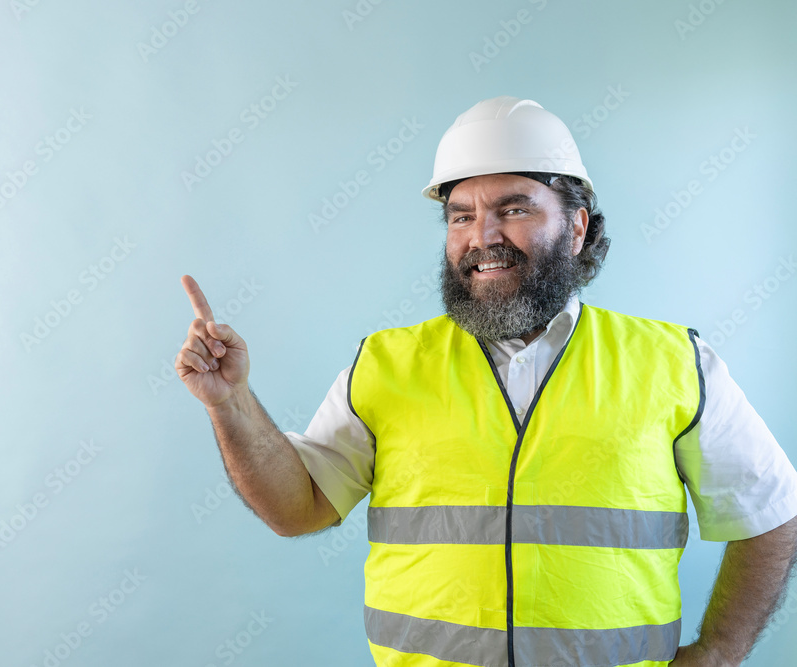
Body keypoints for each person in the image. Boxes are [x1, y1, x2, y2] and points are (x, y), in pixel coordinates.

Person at [175, 96, 797, 667]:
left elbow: (773, 511)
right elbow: (296, 509)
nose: (483, 237)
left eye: (514, 208)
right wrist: (231, 404)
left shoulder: (672, 362)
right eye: (461, 215)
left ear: (577, 227)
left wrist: (718, 651)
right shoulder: (387, 363)